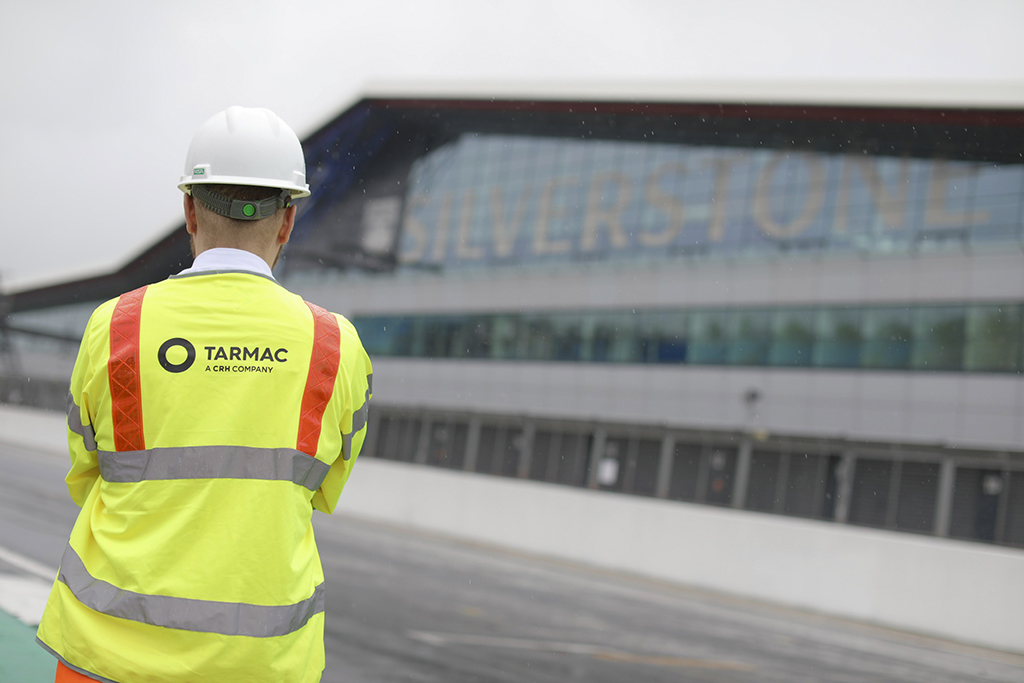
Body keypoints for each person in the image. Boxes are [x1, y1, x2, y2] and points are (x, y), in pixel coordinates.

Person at [35, 106, 373, 683]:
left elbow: (85, 470)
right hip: (260, 667)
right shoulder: (334, 345)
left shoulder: (115, 325)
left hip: (105, 654)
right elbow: (323, 488)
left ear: (189, 209)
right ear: (287, 221)